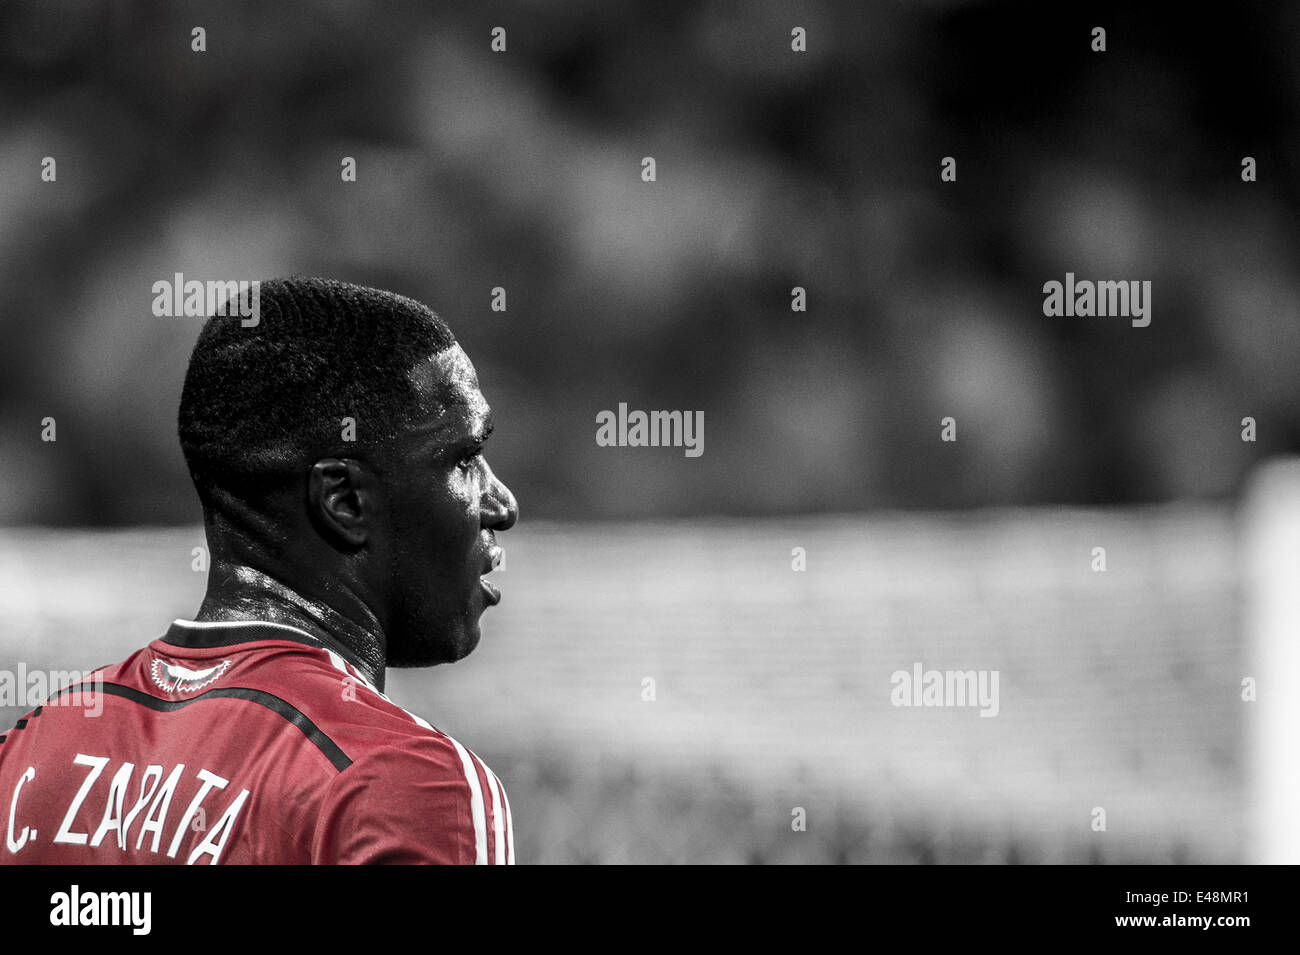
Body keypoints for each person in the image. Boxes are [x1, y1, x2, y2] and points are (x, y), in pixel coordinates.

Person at [0, 277, 519, 864]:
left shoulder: (31, 754)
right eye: (465, 458)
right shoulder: (406, 785)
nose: (502, 504)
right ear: (345, 500)